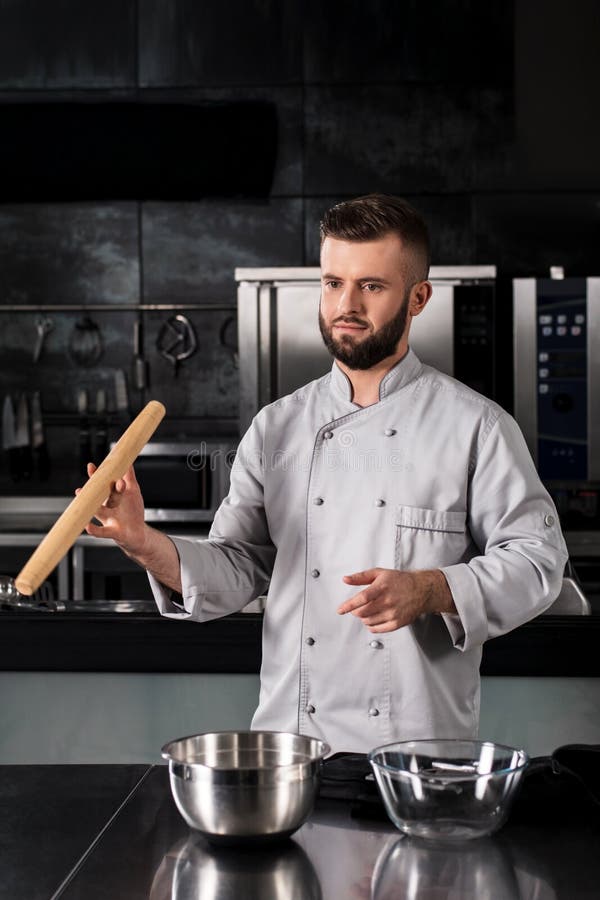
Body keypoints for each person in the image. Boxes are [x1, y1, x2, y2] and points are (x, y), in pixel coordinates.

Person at [83, 194, 568, 754]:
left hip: (414, 759)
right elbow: (238, 568)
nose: (347, 304)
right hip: (290, 751)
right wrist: (141, 542)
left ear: (419, 298)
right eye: (333, 282)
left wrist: (431, 589)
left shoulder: (475, 426)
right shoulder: (276, 427)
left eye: (372, 286)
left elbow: (538, 562)